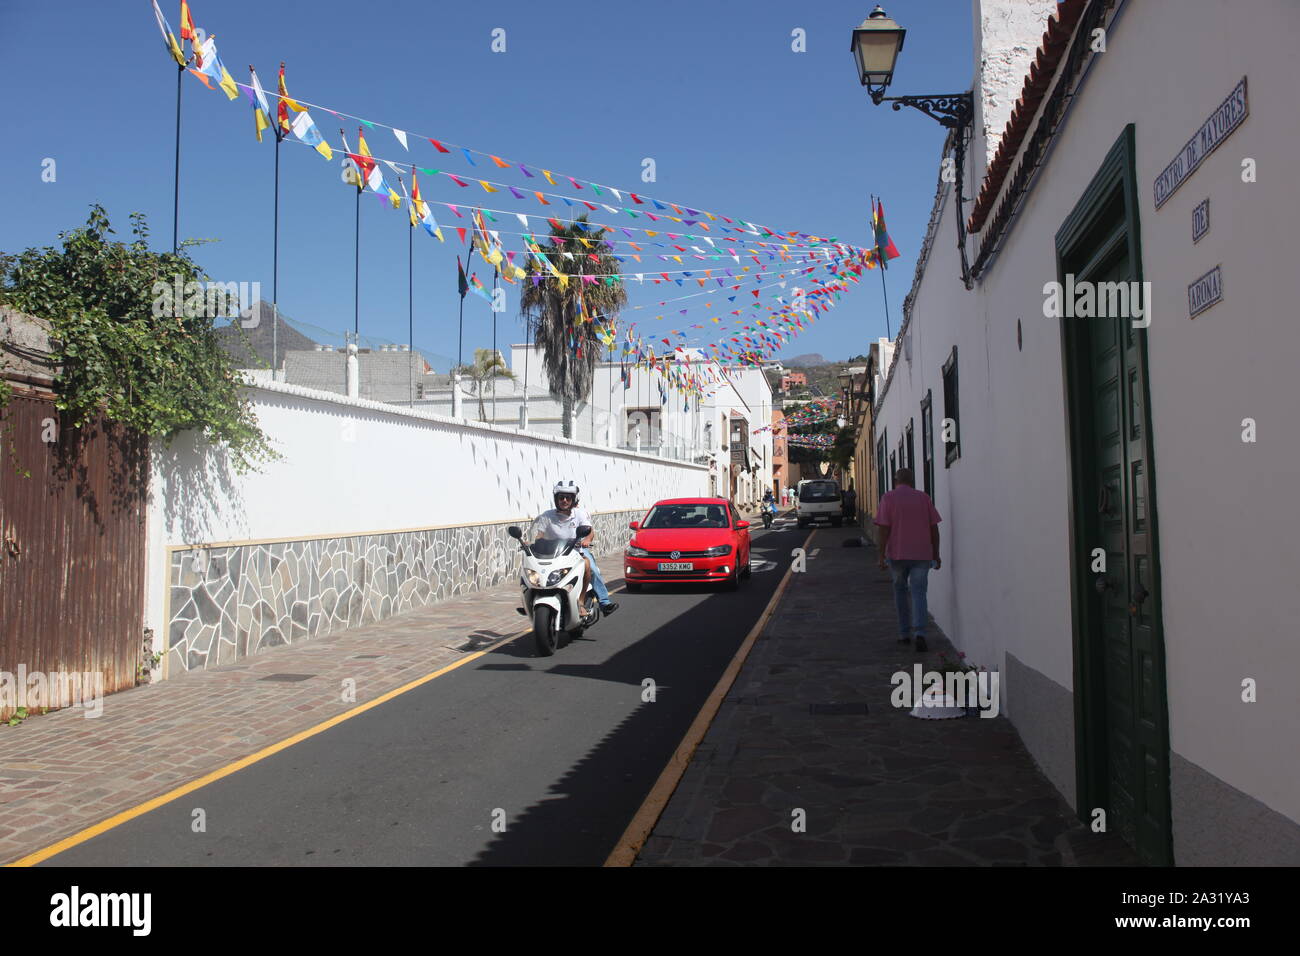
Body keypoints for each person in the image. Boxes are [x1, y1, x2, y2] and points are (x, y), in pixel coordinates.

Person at [874, 468, 940, 651]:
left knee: (900, 593)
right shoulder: (923, 498)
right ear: (912, 481)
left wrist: (881, 555)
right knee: (919, 593)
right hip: (921, 554)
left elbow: (883, 529)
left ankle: (904, 634)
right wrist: (936, 554)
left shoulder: (888, 498)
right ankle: (920, 633)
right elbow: (934, 529)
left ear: (896, 480)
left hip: (897, 554)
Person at [534, 480, 618, 615]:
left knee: (589, 567)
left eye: (568, 498)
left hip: (576, 551)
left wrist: (586, 540)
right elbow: (539, 535)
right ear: (556, 499)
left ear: (573, 500)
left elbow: (589, 530)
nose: (564, 500)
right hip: (554, 553)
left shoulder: (579, 514)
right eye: (561, 497)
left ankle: (600, 602)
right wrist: (533, 543)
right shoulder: (547, 516)